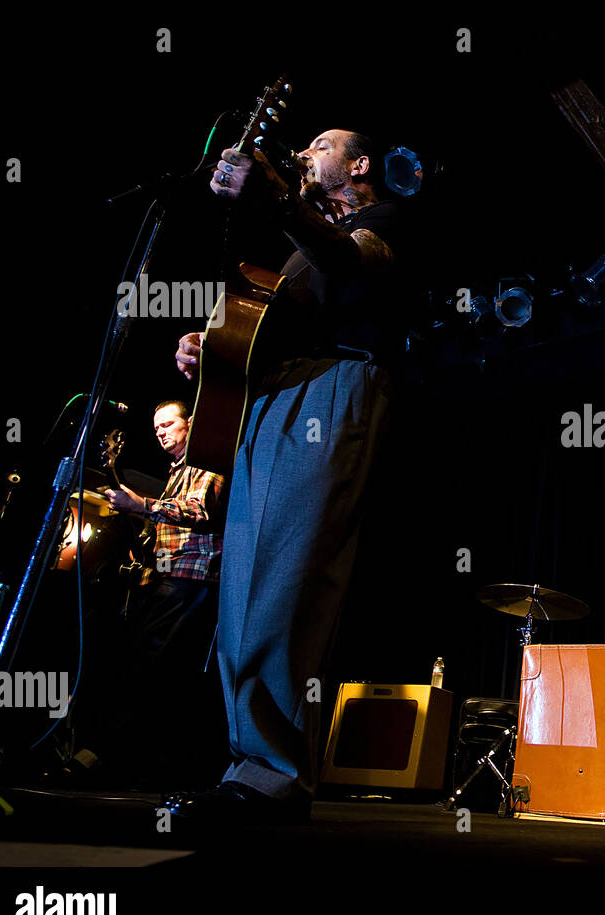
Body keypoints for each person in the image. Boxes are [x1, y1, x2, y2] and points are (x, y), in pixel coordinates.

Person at [162, 129, 398, 824]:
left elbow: (355, 264)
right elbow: (266, 323)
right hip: (274, 398)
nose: (305, 150)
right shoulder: (298, 255)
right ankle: (251, 766)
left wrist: (280, 201)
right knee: (248, 586)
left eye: (321, 143)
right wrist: (213, 346)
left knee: (284, 584)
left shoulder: (379, 218)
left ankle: (270, 776)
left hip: (329, 389)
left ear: (357, 164)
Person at [103, 399, 226, 785]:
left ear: (191, 424)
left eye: (169, 423)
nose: (161, 431)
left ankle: (140, 764)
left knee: (158, 670)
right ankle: (144, 761)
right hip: (172, 577)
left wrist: (142, 504)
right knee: (153, 667)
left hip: (193, 578)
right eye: (156, 427)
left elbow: (200, 511)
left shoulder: (207, 459)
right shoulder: (175, 470)